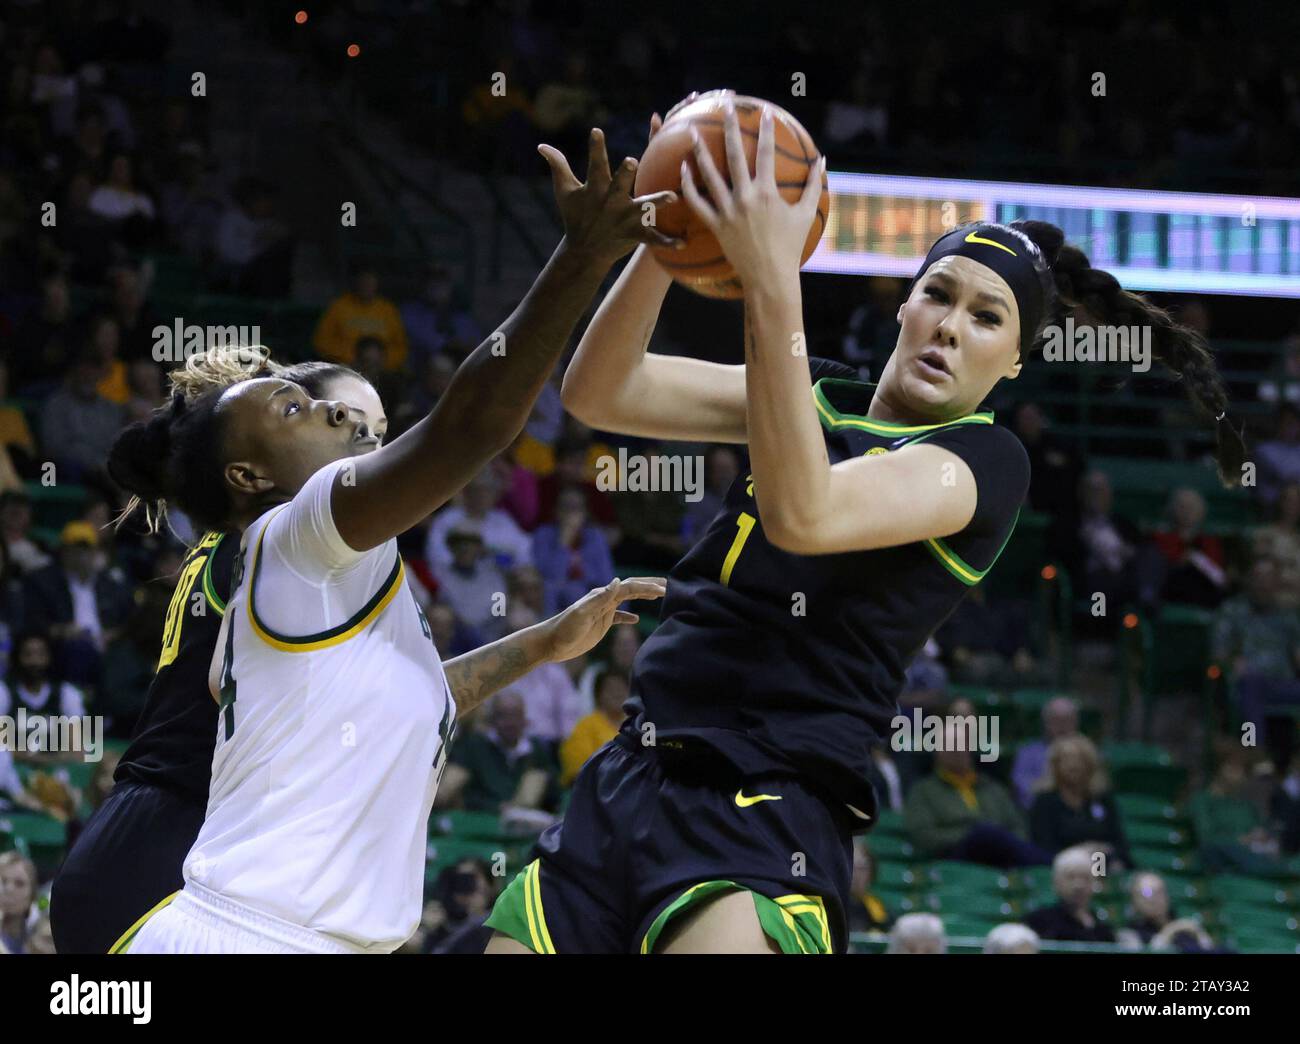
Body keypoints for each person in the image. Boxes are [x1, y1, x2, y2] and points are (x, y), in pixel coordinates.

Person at [484, 100, 1243, 955]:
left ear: (1015, 361)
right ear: (904, 306)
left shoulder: (986, 466)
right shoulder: (819, 394)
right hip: (627, 772)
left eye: (987, 319)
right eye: (938, 295)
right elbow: (600, 391)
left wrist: (772, 280)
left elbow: (807, 513)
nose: (952, 327)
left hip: (764, 808)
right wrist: (670, 237)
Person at [104, 128, 676, 955]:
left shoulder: (327, 587)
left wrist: (543, 644)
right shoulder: (290, 534)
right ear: (249, 480)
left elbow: (407, 700)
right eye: (293, 411)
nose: (333, 411)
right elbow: (472, 425)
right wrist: (581, 257)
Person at [1028, 735, 1131, 868]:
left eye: (1079, 759)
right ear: (1055, 766)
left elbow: (1120, 843)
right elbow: (1043, 849)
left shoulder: (1102, 799)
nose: (1073, 765)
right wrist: (1081, 852)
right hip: (1061, 869)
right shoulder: (1044, 801)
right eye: (1067, 759)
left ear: (1090, 764)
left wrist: (1105, 851)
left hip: (1101, 866)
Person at [1023, 846, 1116, 944]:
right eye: (1070, 877)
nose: (1079, 885)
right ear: (1056, 882)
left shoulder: (1103, 928)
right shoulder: (1040, 922)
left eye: (1085, 878)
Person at [560, 669, 629, 785]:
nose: (617, 693)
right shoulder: (585, 726)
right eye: (611, 689)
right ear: (598, 695)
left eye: (621, 688)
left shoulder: (639, 724)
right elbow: (578, 767)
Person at [1011, 696, 1080, 807]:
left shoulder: (1086, 754)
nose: (1062, 726)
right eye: (1056, 720)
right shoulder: (1027, 754)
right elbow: (1024, 794)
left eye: (1067, 720)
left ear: (1076, 723)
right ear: (1045, 722)